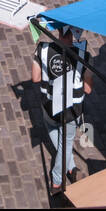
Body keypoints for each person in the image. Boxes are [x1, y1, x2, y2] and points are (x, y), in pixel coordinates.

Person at [30, 21, 93, 193]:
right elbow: (88, 89)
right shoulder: (83, 56)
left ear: (57, 31)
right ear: (74, 33)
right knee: (65, 142)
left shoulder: (42, 49)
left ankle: (71, 167)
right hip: (71, 111)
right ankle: (57, 180)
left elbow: (35, 78)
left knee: (54, 131)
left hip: (48, 105)